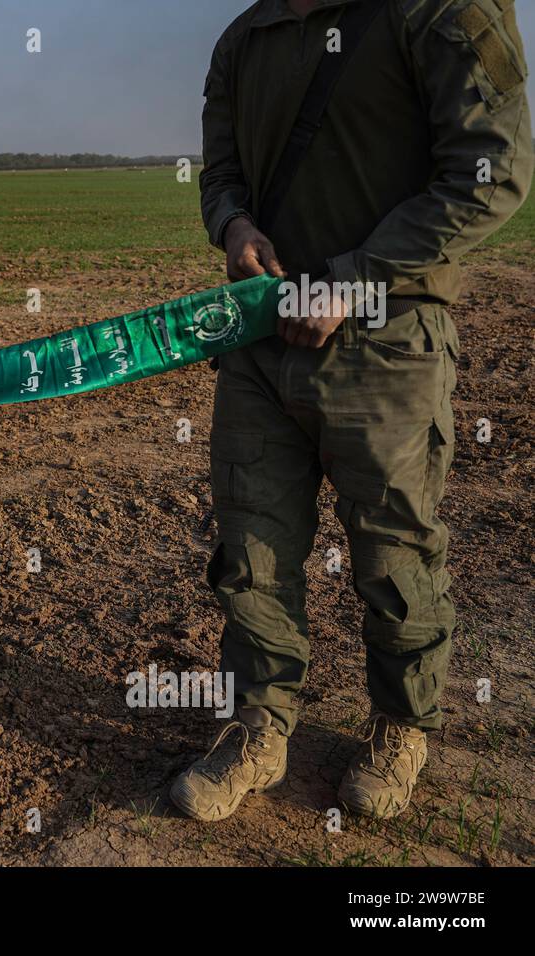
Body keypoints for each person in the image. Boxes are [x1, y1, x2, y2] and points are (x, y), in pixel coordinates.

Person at [171, 0, 531, 821]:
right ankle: (259, 727)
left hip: (389, 339)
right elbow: (221, 173)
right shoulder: (244, 40)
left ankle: (403, 727)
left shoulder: (440, 12)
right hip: (262, 345)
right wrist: (232, 225)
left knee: (394, 556)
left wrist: (354, 276)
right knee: (250, 549)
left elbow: (491, 172)